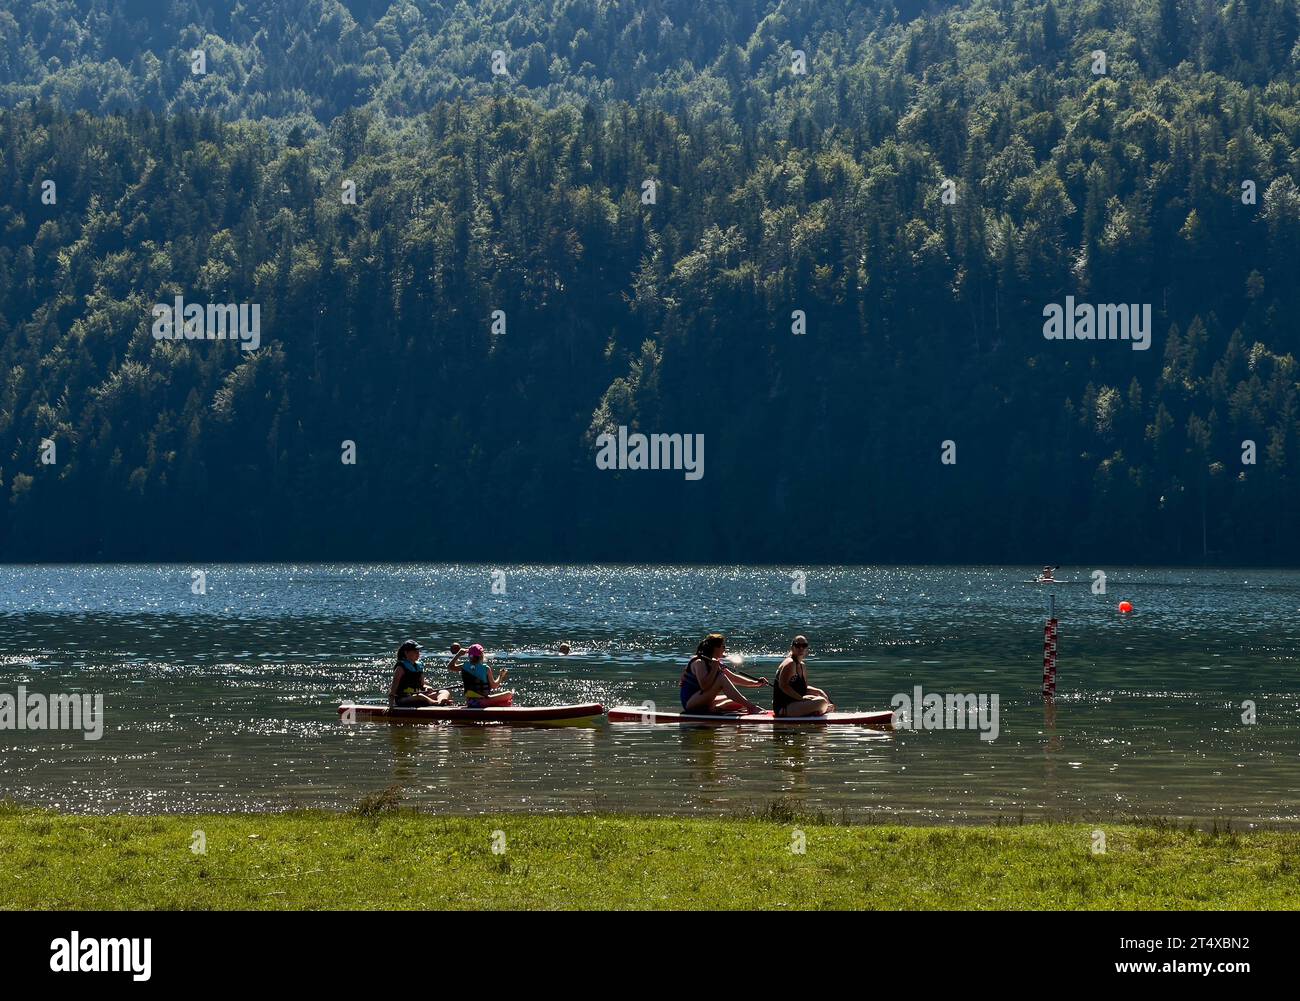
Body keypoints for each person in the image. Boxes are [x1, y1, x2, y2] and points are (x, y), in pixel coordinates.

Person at [679, 633, 765, 715]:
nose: (725, 649)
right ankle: (752, 707)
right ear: (715, 648)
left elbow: (733, 678)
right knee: (721, 678)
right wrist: (714, 668)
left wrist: (756, 683)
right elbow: (704, 686)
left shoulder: (715, 662)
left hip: (701, 698)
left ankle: (714, 709)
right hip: (690, 703)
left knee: (739, 701)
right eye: (723, 646)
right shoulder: (699, 662)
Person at [772, 635, 834, 717]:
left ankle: (820, 710)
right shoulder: (790, 663)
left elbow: (803, 688)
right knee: (821, 702)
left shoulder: (802, 665)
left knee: (820, 697)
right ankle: (821, 710)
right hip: (783, 707)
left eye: (804, 645)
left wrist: (819, 692)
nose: (801, 648)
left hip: (794, 703)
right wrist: (801, 699)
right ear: (792, 647)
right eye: (797, 645)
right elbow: (783, 686)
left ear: (806, 648)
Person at [388, 640, 453, 707]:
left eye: (418, 651)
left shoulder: (419, 666)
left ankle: (441, 701)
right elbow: (393, 688)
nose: (418, 653)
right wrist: (390, 705)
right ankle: (436, 703)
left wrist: (427, 688)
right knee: (420, 696)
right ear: (406, 653)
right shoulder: (400, 667)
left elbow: (422, 685)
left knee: (444, 692)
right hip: (403, 699)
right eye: (415, 651)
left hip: (417, 696)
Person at [447, 643, 511, 708]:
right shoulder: (486, 668)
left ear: (469, 656)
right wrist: (501, 675)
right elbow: (494, 686)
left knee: (506, 702)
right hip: (482, 702)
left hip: (470, 702)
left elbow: (450, 667)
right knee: (509, 694)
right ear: (481, 655)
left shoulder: (464, 666)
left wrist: (458, 654)